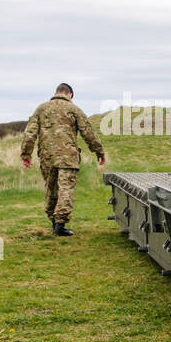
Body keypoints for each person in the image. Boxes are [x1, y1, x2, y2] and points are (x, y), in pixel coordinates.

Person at [19, 83, 106, 236]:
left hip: (47, 158)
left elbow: (30, 133)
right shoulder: (74, 109)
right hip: (68, 157)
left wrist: (26, 154)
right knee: (65, 189)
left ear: (56, 92)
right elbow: (88, 133)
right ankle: (60, 225)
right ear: (70, 94)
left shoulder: (41, 109)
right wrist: (99, 152)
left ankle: (54, 221)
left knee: (51, 189)